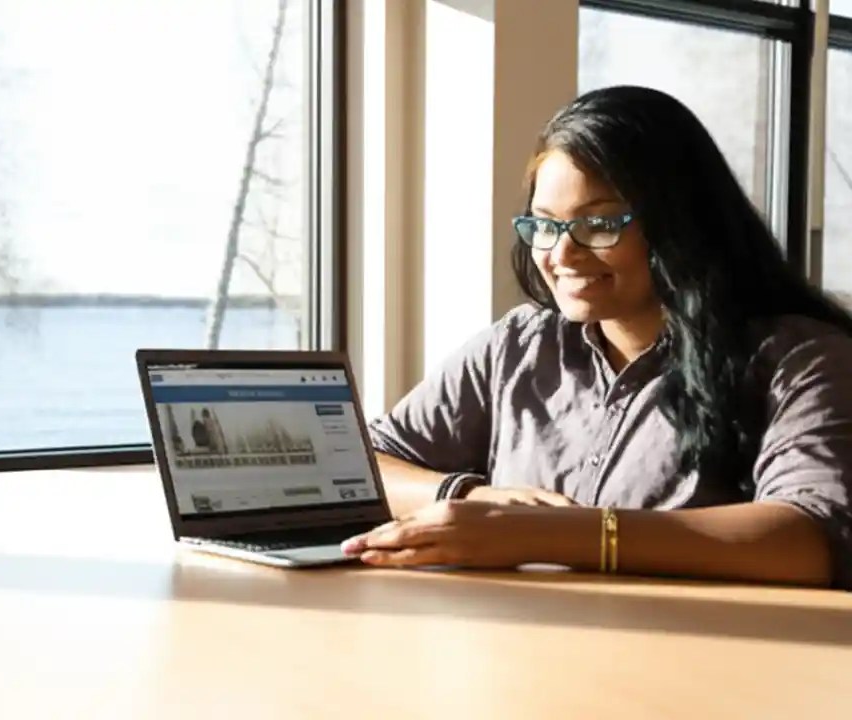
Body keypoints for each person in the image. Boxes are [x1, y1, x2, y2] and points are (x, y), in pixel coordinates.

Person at [342, 86, 852, 589]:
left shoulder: (801, 360)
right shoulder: (517, 347)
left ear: (679, 223)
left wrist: (546, 535)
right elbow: (361, 465)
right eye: (544, 225)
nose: (561, 255)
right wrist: (467, 498)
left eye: (599, 223)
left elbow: (811, 540)